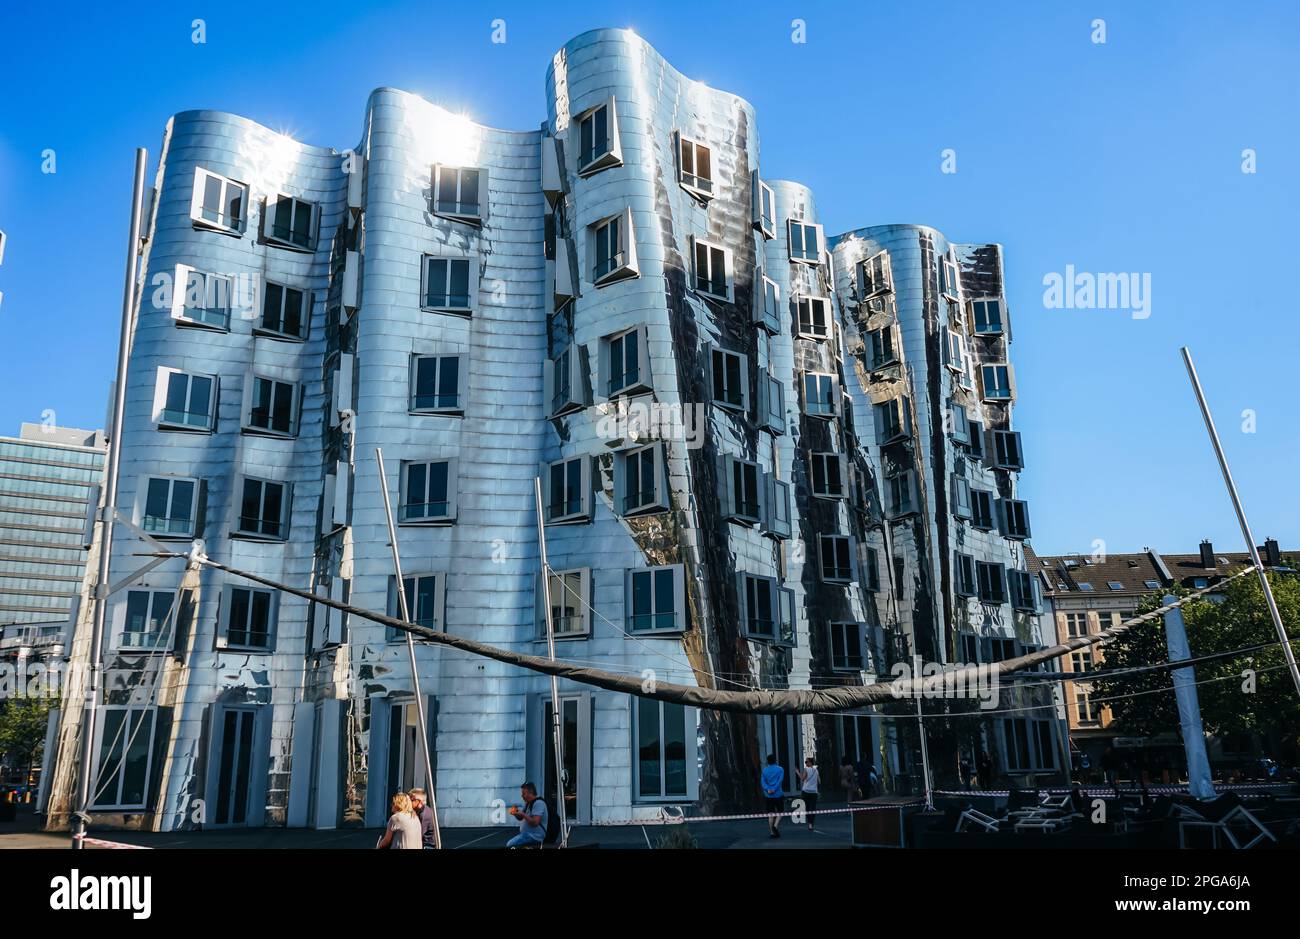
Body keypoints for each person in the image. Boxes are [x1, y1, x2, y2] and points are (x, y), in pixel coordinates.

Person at [506, 781, 548, 848]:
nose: (522, 796)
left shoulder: (539, 803)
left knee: (510, 844)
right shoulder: (528, 803)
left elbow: (535, 822)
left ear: (530, 793)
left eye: (523, 793)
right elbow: (520, 818)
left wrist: (522, 814)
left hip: (535, 836)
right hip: (527, 835)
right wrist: (515, 813)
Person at [761, 754, 785, 838]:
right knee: (780, 811)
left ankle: (771, 832)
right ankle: (775, 825)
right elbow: (780, 781)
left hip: (768, 795)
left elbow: (763, 782)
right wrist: (774, 789)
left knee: (770, 814)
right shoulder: (780, 769)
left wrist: (768, 789)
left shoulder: (765, 770)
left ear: (768, 761)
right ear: (775, 760)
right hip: (778, 794)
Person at [796, 757, 820, 830]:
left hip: (806, 791)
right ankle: (811, 824)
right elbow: (819, 781)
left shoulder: (806, 769)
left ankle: (809, 823)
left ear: (810, 762)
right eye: (805, 762)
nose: (806, 763)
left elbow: (802, 778)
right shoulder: (816, 770)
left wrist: (797, 772)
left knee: (806, 807)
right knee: (812, 808)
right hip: (814, 792)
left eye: (807, 762)